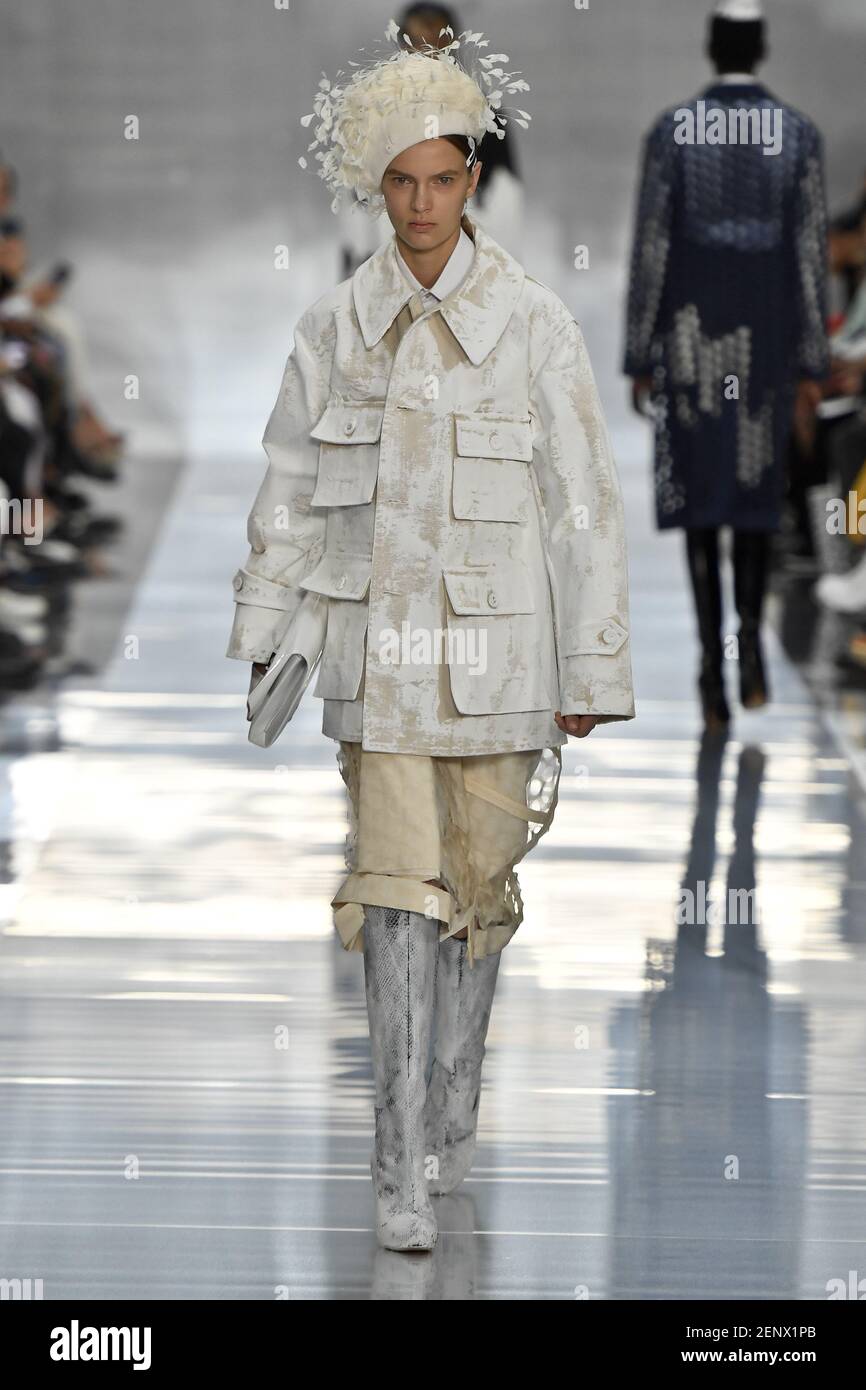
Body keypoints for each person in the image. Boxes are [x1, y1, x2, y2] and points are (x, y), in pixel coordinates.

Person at [226, 23, 635, 1252]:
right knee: (393, 893)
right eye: (396, 182)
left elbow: (581, 500)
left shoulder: (533, 325)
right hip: (375, 655)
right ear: (373, 185)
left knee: (477, 893)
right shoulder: (330, 329)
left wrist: (591, 664)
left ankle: (453, 1096)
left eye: (438, 179)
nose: (417, 205)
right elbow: (289, 483)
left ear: (470, 179)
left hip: (502, 657)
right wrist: (266, 627)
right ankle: (395, 1154)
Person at [623, 0, 829, 729]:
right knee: (754, 496)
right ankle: (750, 652)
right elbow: (809, 255)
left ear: (711, 48)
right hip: (765, 340)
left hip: (689, 337)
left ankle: (712, 663)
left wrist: (638, 353)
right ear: (762, 47)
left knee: (700, 506)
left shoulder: (673, 132)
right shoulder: (797, 134)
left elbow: (652, 245)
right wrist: (812, 360)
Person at [335, 3, 526, 278]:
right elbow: (356, 205)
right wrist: (356, 281)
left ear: (453, 44)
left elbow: (507, 203)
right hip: (388, 274)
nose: (428, 50)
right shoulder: (374, 114)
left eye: (437, 39)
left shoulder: (483, 114)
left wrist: (500, 279)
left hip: (466, 273)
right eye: (418, 42)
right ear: (402, 46)